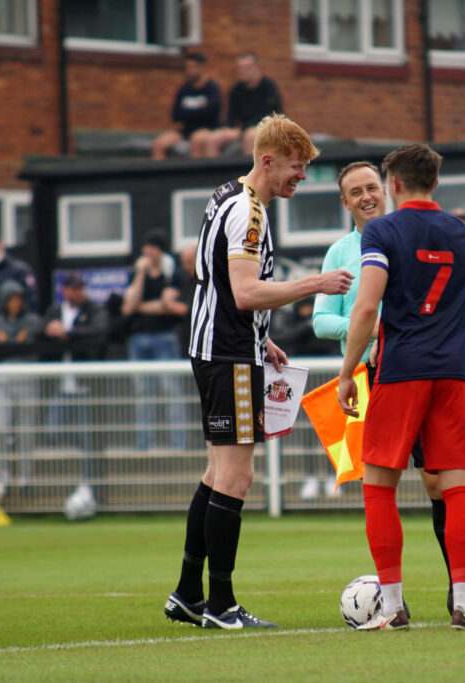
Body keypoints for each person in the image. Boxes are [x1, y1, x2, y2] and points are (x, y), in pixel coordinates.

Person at [165, 114, 354, 630]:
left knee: (215, 475)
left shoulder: (226, 193)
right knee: (236, 477)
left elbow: (225, 288)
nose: (302, 177)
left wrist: (263, 336)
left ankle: (187, 592)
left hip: (219, 347)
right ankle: (222, 606)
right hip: (226, 355)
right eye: (297, 168)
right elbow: (246, 291)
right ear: (268, 161)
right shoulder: (250, 212)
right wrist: (315, 284)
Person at [336, 144, 465, 631]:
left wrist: (347, 373)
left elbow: (366, 308)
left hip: (400, 369)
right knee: (458, 487)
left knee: (379, 485)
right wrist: (447, 328)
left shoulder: (383, 231)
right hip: (455, 372)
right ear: (435, 182)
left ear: (395, 185)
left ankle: (391, 606)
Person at [122, 231, 187, 452]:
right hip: (139, 338)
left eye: (151, 248)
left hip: (165, 337)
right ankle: (143, 445)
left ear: (159, 250)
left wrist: (142, 306)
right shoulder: (137, 272)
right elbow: (129, 306)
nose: (146, 253)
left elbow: (167, 305)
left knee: (171, 390)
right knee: (142, 393)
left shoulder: (172, 274)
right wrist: (141, 274)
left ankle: (178, 445)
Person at [42, 273, 109, 479]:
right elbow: (39, 328)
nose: (78, 292)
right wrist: (49, 330)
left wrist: (69, 333)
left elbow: (100, 329)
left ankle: (89, 480)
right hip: (60, 386)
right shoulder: (54, 311)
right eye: (74, 288)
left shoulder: (93, 309)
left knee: (88, 436)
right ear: (64, 291)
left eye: (80, 288)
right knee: (53, 431)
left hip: (85, 387)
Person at [0, 279, 43, 484]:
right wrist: (14, 342)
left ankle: (25, 476)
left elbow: (30, 344)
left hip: (26, 379)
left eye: (18, 299)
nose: (15, 304)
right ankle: (3, 473)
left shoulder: (32, 320)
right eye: (11, 300)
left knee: (26, 430)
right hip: (2, 380)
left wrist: (8, 342)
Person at [203, 53, 283, 158]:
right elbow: (231, 117)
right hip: (241, 129)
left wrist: (242, 130)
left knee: (250, 135)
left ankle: (250, 173)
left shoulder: (268, 87)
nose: (243, 71)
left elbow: (269, 115)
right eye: (240, 68)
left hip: (266, 128)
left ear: (257, 68)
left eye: (247, 67)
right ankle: (214, 173)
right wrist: (229, 128)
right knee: (212, 138)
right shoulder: (236, 90)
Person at [151, 52, 222, 160]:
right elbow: (175, 115)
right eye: (187, 67)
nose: (189, 71)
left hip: (207, 129)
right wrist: (197, 112)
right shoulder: (184, 89)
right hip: (186, 129)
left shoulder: (212, 88)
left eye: (193, 67)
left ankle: (195, 174)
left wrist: (188, 112)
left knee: (196, 139)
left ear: (202, 68)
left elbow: (211, 112)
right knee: (158, 144)